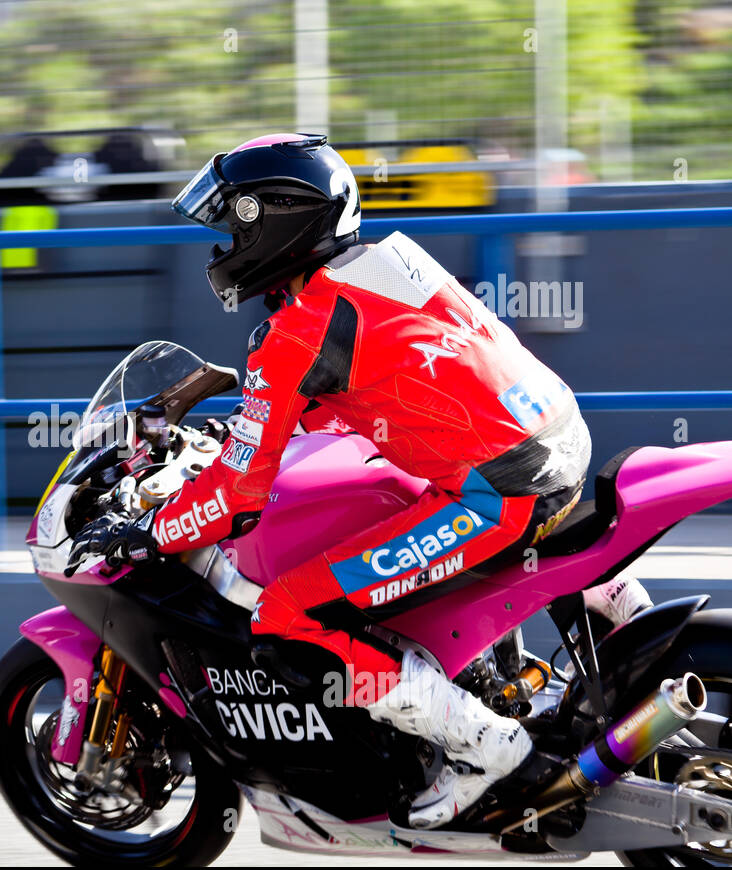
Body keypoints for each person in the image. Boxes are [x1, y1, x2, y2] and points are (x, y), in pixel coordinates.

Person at [68, 133, 651, 829]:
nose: (221, 245)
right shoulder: (389, 263)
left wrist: (147, 532)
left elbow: (237, 498)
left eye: (232, 224)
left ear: (277, 221)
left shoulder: (294, 335)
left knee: (288, 614)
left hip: (503, 491)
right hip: (560, 437)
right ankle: (622, 620)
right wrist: (245, 428)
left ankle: (493, 749)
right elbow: (386, 381)